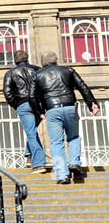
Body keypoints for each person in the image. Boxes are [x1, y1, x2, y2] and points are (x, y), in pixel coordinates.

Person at [29, 52, 100, 184]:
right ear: (56, 60)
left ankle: (62, 175)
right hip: (70, 107)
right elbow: (82, 87)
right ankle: (74, 163)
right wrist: (92, 104)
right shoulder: (68, 70)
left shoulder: (37, 75)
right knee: (73, 137)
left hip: (51, 110)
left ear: (42, 63)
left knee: (56, 143)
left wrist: (39, 112)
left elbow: (31, 97)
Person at [2, 50, 45, 171]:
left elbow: (7, 92)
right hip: (38, 104)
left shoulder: (10, 73)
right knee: (32, 130)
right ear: (27, 59)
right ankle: (30, 156)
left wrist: (16, 105)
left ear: (15, 60)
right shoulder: (37, 69)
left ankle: (39, 163)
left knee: (31, 133)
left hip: (23, 104)